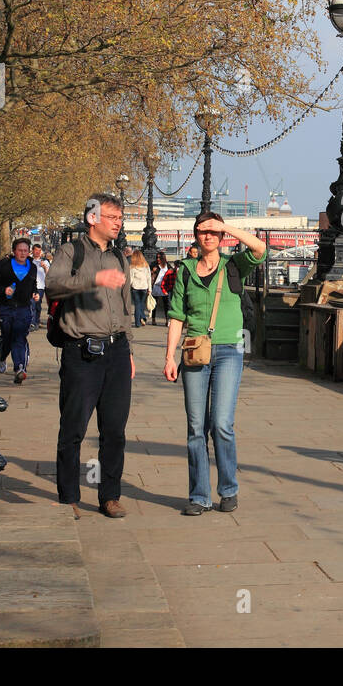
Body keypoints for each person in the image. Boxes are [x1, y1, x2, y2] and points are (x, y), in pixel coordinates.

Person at [164, 212, 267, 515]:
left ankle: (228, 489)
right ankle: (199, 496)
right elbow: (176, 317)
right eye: (202, 231)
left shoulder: (233, 266)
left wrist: (226, 226)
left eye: (212, 232)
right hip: (195, 351)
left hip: (228, 350)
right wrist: (169, 356)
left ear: (221, 237)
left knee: (221, 424)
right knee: (196, 426)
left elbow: (260, 249)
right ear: (195, 235)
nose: (207, 236)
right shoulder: (184, 271)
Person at [45, 194, 135, 520]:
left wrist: (130, 351)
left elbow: (127, 308)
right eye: (112, 216)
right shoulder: (71, 252)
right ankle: (68, 495)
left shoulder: (120, 258)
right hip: (81, 353)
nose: (118, 222)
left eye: (120, 218)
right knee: (73, 430)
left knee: (115, 431)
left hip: (117, 352)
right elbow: (53, 286)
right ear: (92, 218)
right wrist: (94, 279)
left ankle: (110, 496)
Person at [0, 237, 40, 384]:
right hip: (6, 308)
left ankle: (19, 369)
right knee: (7, 337)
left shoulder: (32, 267)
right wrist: (4, 290)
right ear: (14, 251)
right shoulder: (4, 265)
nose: (23, 253)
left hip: (24, 309)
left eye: (25, 250)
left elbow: (33, 284)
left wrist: (35, 292)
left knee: (19, 337)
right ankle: (1, 356)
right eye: (20, 250)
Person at [128, 249, 152, 328]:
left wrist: (129, 286)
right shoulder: (146, 266)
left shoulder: (132, 267)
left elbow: (131, 279)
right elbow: (149, 278)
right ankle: (142, 318)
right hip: (144, 287)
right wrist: (150, 288)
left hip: (135, 288)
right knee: (141, 304)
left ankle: (138, 322)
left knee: (137, 305)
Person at [30, 243, 50, 329]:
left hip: (41, 287)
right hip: (31, 287)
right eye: (36, 251)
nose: (37, 252)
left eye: (39, 251)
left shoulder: (45, 261)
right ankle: (32, 323)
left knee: (37, 305)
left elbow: (49, 274)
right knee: (32, 304)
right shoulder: (29, 261)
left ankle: (37, 321)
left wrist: (45, 267)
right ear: (32, 251)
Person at [150, 251, 172, 325]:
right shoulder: (153, 265)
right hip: (156, 286)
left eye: (160, 258)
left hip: (165, 287)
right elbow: (148, 273)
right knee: (154, 304)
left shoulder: (167, 266)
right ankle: (153, 319)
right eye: (157, 257)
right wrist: (152, 272)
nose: (158, 259)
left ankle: (167, 320)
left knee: (167, 304)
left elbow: (171, 273)